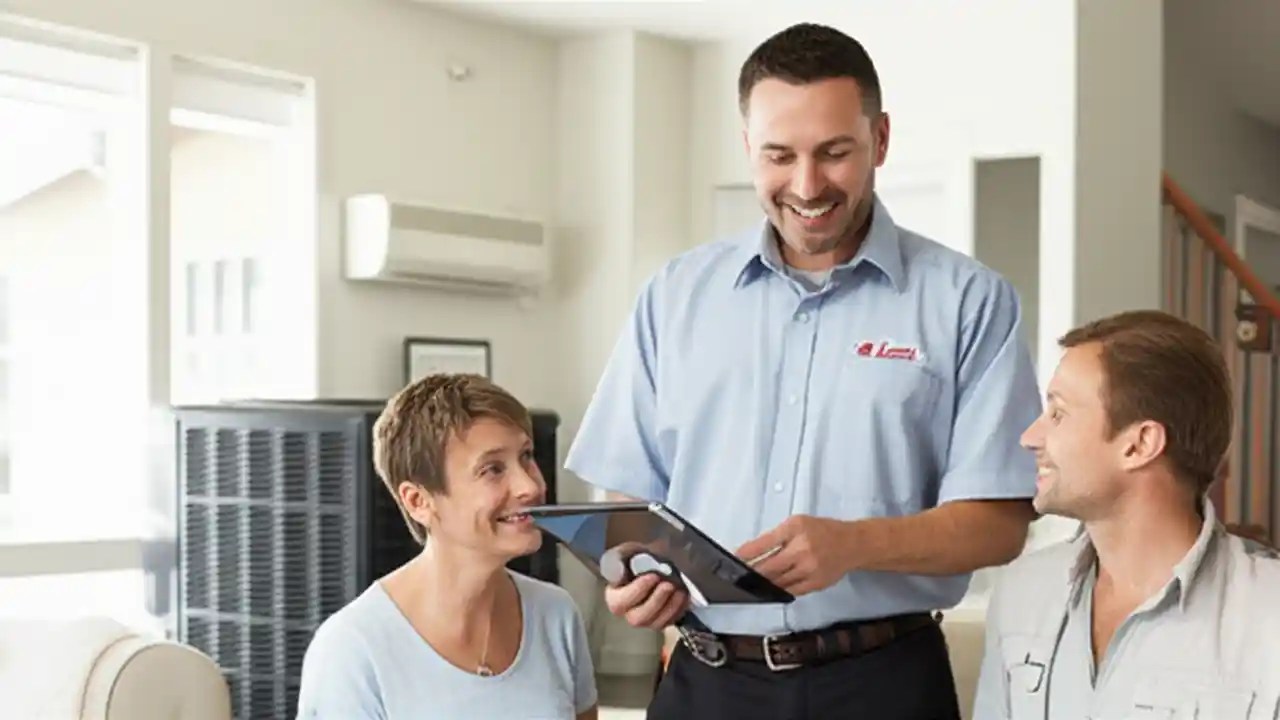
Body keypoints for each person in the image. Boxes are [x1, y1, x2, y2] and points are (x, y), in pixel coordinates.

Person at [565, 22, 1042, 720]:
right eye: (779, 155)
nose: (807, 184)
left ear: (879, 139)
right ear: (748, 149)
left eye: (834, 153)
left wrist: (855, 544)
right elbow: (624, 501)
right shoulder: (674, 296)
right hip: (705, 681)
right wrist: (628, 578)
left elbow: (1000, 525)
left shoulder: (969, 301)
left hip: (881, 684)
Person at [972, 310, 1280, 719]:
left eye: (1058, 414)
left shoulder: (1268, 618)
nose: (1030, 438)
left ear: (1139, 445)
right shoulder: (1020, 595)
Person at [296, 374, 598, 719]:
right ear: (418, 501)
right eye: (493, 469)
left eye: (526, 456)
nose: (529, 485)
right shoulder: (351, 650)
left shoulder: (556, 615)